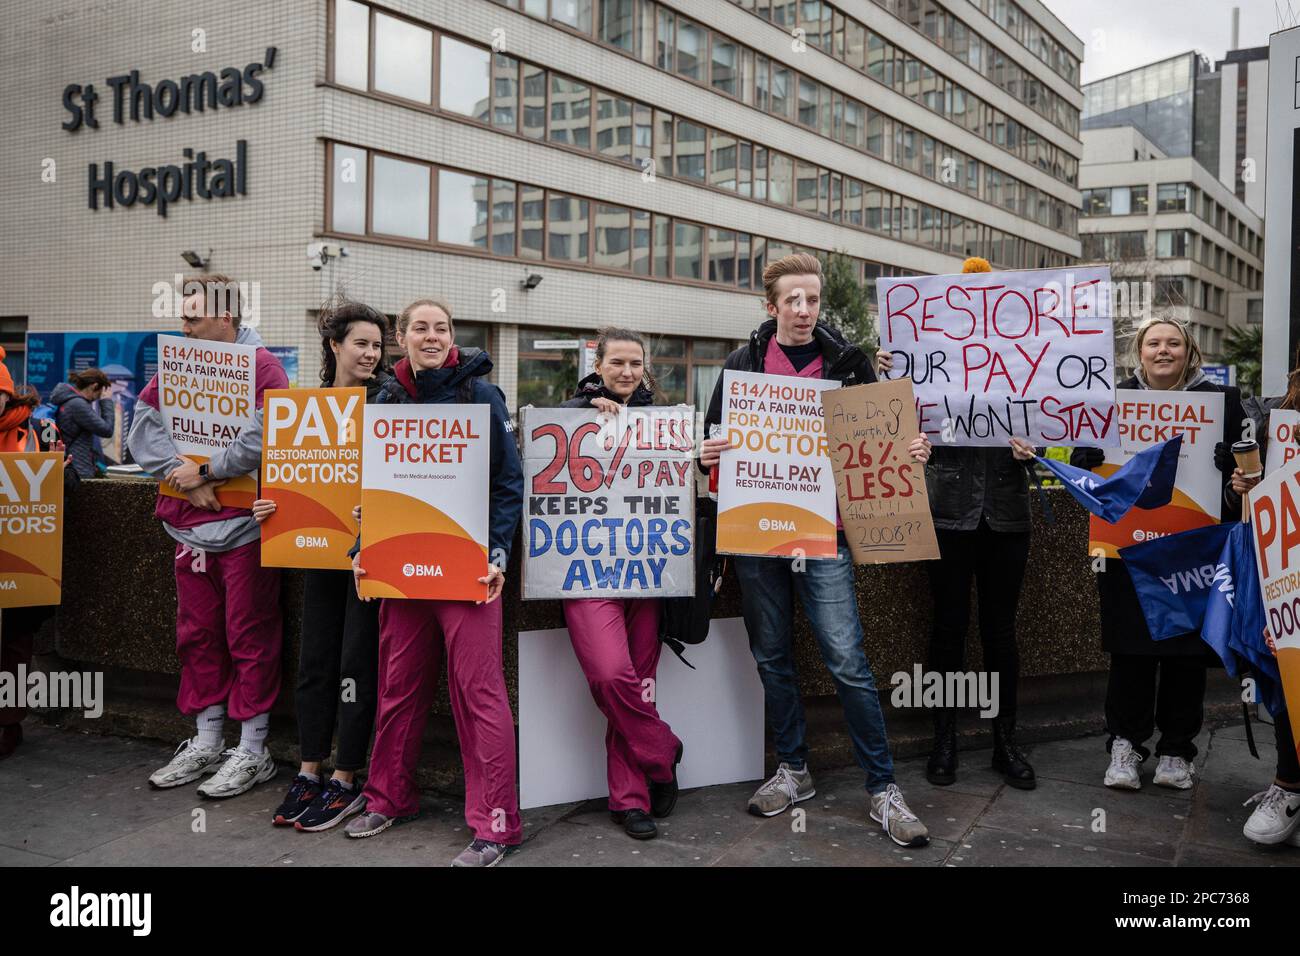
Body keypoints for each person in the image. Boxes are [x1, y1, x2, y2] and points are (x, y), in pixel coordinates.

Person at [699, 253, 933, 847]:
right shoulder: (741, 364)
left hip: (825, 533)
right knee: (772, 655)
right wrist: (711, 452)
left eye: (813, 300)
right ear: (771, 306)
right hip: (757, 537)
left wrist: (910, 452)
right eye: (793, 300)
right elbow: (711, 443)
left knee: (848, 661)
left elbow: (880, 441)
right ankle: (795, 770)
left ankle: (882, 787)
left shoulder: (850, 367)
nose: (805, 311)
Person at [344, 299, 524, 868]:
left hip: (468, 568)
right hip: (400, 566)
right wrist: (361, 549)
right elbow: (368, 488)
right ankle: (389, 796)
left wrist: (497, 554)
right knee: (398, 684)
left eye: (441, 328)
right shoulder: (383, 398)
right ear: (401, 337)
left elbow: (508, 483)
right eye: (419, 327)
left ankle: (496, 822)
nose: (431, 336)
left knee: (480, 692)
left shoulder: (482, 395)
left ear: (452, 337)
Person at [876, 256, 1038, 790]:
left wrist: (1032, 449)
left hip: (1007, 516)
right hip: (946, 511)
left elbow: (1057, 419)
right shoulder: (930, 356)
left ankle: (1004, 740)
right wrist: (906, 430)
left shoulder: (1025, 359)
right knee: (947, 630)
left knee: (1000, 633)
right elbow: (893, 426)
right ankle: (944, 737)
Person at [1072, 315, 1252, 791]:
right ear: (1141, 352)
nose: (1164, 350)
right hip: (1126, 546)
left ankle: (1177, 749)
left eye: (1174, 343)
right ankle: (1125, 746)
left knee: (1184, 654)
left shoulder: (1223, 402)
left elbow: (1248, 475)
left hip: (1194, 548)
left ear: (1189, 352)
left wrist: (1230, 463)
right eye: (1154, 343)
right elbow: (1084, 473)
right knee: (1129, 651)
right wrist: (1085, 458)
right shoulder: (1110, 400)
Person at [127, 274, 289, 798]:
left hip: (243, 528)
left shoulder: (263, 366)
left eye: (193, 316)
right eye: (182, 315)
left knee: (249, 634)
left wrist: (207, 472)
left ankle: (253, 749)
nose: (184, 324)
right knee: (197, 634)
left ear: (226, 316)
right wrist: (185, 475)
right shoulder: (177, 361)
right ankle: (207, 739)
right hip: (189, 525)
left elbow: (268, 434)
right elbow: (141, 429)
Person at [252, 301, 391, 830]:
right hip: (315, 549)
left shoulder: (389, 401)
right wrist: (267, 506)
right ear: (334, 346)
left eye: (378, 345)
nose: (371, 353)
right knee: (315, 659)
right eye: (361, 343)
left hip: (367, 553)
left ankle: (347, 776)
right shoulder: (302, 408)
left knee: (357, 663)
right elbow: (287, 477)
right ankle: (310, 767)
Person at [557, 327, 683, 840]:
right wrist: (586, 414)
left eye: (635, 363)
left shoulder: (661, 418)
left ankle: (630, 801)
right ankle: (662, 751)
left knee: (640, 684)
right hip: (587, 570)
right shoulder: (569, 412)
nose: (627, 372)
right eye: (617, 364)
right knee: (612, 676)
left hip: (647, 571)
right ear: (598, 364)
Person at [0, 349, 53, 758]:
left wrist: (60, 468)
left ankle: (8, 723)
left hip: (22, 558)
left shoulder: (36, 431)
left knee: (15, 645)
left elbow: (62, 489)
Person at [50, 368, 115, 479]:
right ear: (94, 386)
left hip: (73, 466)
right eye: (101, 392)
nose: (100, 396)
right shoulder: (78, 405)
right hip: (78, 470)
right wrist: (106, 401)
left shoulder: (70, 400)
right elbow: (107, 430)